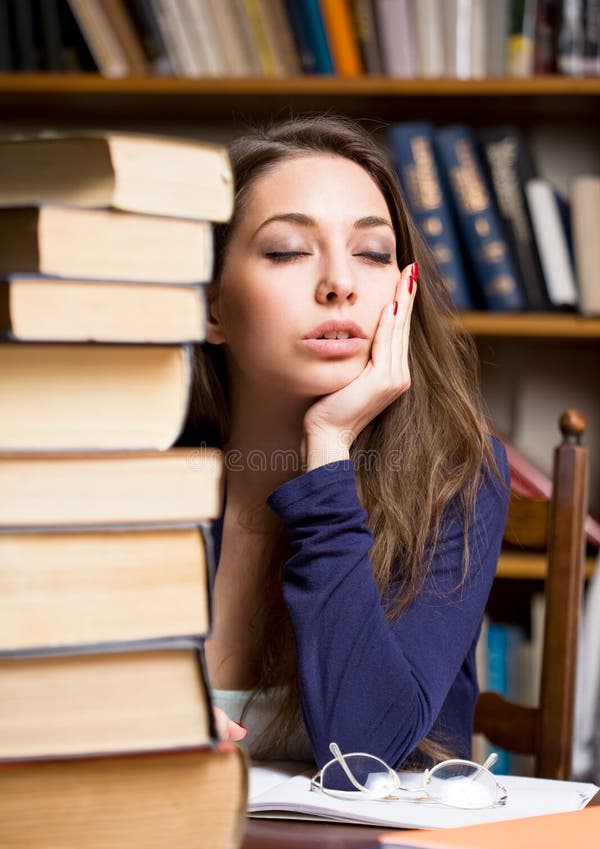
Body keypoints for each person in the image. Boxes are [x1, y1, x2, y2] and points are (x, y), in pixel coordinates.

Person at [188, 114, 510, 771]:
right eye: (286, 250)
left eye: (372, 252)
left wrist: (327, 445)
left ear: (403, 288)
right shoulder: (131, 468)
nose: (341, 283)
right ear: (213, 306)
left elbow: (366, 755)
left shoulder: (456, 472)